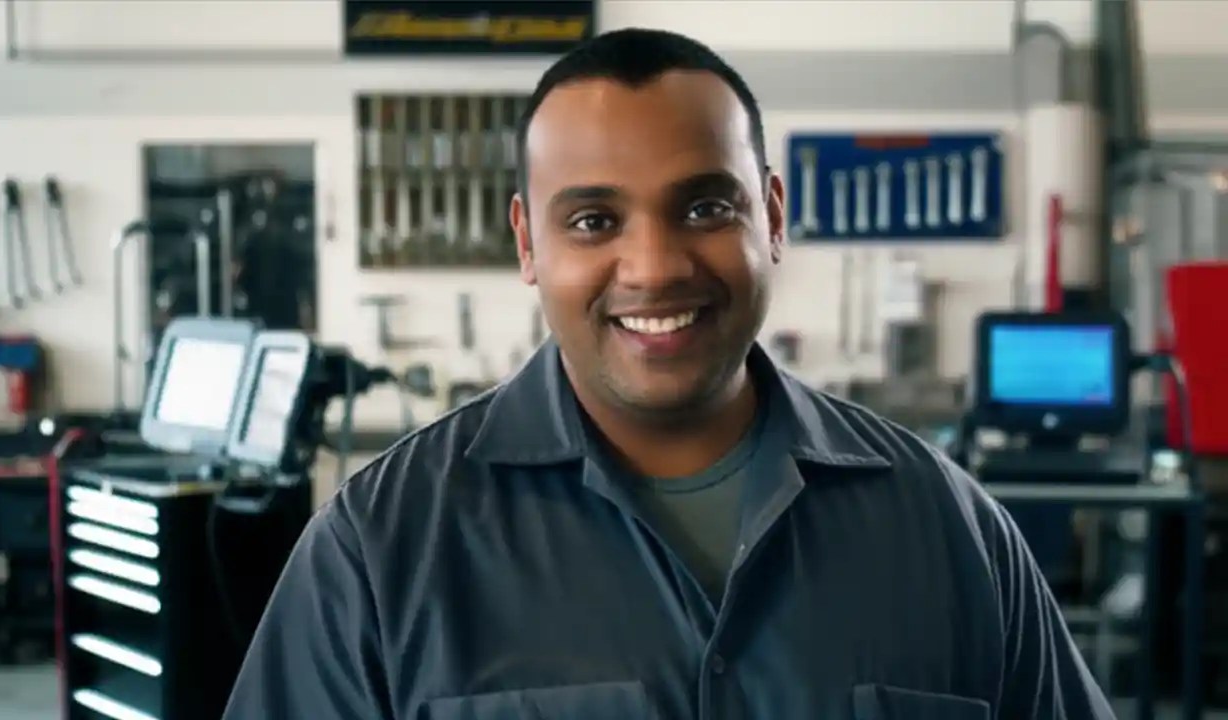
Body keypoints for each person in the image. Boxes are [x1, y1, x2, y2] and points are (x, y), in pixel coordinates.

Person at [223, 28, 1115, 720]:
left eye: (704, 207)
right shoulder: (378, 553)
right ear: (528, 243)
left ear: (771, 217)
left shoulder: (952, 531)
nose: (653, 268)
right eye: (593, 221)